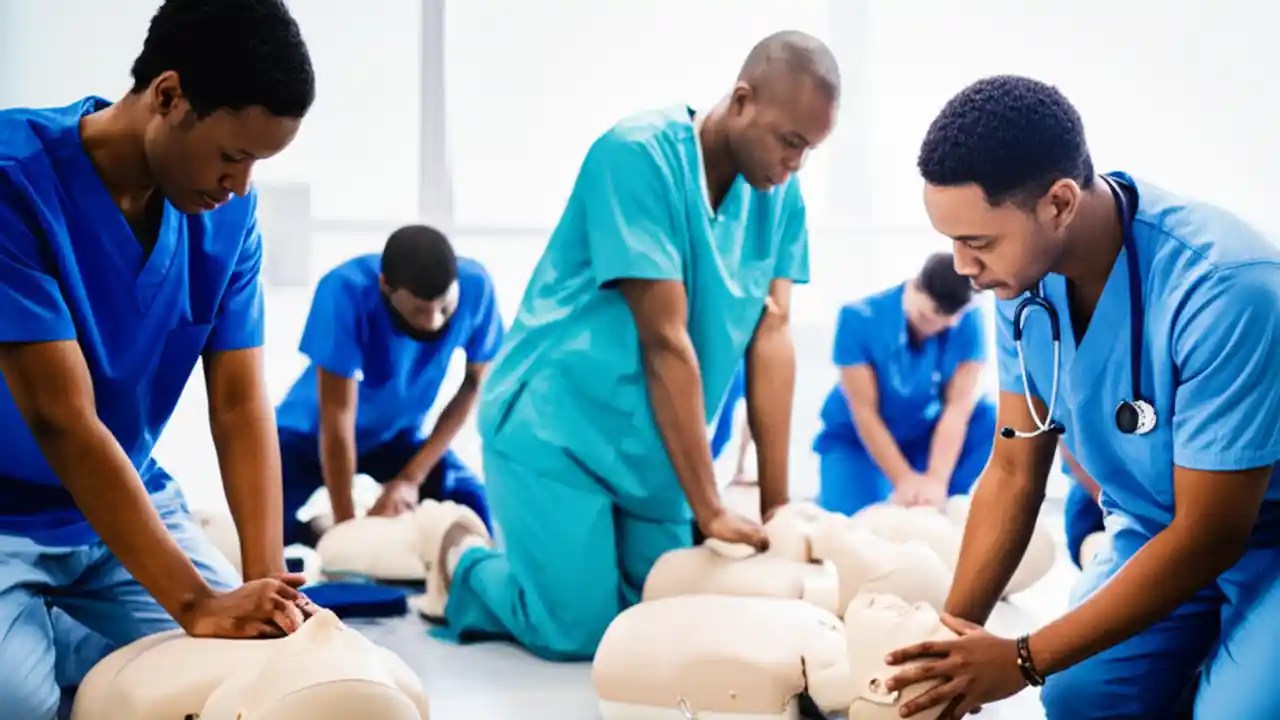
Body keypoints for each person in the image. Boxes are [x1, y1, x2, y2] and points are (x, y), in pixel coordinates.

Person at [416, 30, 840, 661]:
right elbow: (664, 340)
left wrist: (777, 509)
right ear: (743, 100)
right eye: (791, 142)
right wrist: (710, 507)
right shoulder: (637, 156)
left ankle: (559, 564)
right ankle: (462, 561)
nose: (796, 164)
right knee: (578, 632)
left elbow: (771, 339)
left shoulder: (781, 199)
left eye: (810, 149)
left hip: (655, 449)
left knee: (658, 611)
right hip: (557, 425)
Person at [882, 75, 1280, 720]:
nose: (961, 267)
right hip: (1154, 531)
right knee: (1077, 696)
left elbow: (1211, 535)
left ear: (1059, 203)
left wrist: (1019, 659)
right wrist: (948, 648)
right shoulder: (1022, 290)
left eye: (977, 242)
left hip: (1261, 539)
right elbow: (1014, 471)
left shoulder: (1227, 287)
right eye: (951, 241)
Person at [0, 1, 317, 717]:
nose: (239, 185)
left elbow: (238, 404)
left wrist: (268, 590)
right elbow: (60, 419)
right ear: (168, 97)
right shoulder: (13, 181)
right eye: (233, 156)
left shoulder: (230, 215)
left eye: (258, 165)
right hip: (7, 519)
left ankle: (68, 631)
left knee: (241, 678)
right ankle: (55, 631)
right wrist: (196, 602)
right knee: (18, 703)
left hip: (128, 505)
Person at [274, 225, 502, 546]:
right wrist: (347, 527)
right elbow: (337, 417)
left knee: (474, 505)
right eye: (420, 311)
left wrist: (410, 479)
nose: (434, 321)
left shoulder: (476, 286)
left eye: (445, 307)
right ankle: (318, 528)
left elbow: (475, 383)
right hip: (310, 433)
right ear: (385, 287)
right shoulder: (344, 291)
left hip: (396, 435)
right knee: (269, 528)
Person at [812, 252, 995, 516]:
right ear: (914, 286)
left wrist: (936, 480)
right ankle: (873, 486)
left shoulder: (970, 319)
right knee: (856, 522)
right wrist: (903, 479)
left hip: (923, 433)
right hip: (858, 438)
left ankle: (938, 501)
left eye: (944, 325)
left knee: (990, 417)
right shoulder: (857, 318)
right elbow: (864, 412)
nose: (933, 329)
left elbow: (958, 407)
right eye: (925, 317)